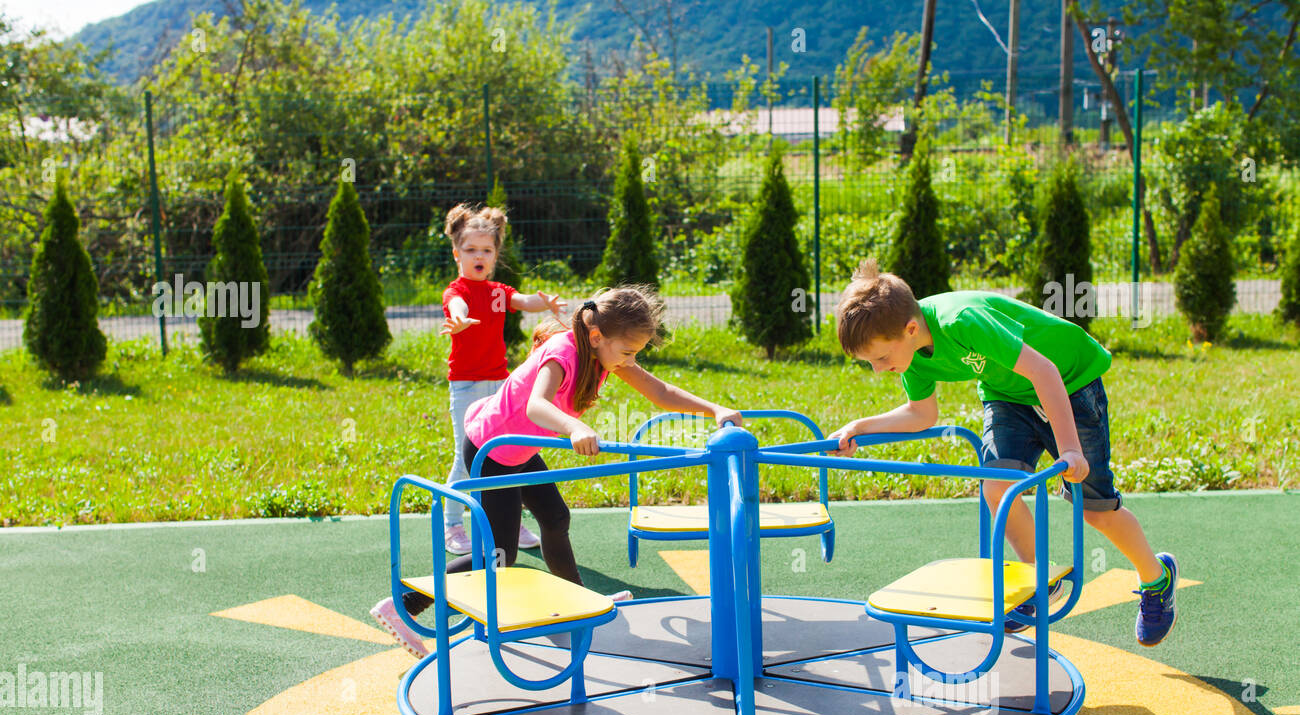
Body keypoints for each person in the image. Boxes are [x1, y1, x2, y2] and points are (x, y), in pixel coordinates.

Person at [371, 286, 744, 658]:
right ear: (596, 336)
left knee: (555, 516)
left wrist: (715, 409)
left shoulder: (605, 353)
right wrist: (574, 427)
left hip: (519, 448)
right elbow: (537, 405)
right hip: (492, 449)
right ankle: (401, 606)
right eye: (628, 352)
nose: (630, 360)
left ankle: (576, 601)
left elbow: (660, 391)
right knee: (499, 555)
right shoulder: (563, 353)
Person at [828, 259, 1178, 646]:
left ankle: (1156, 579)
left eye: (880, 359)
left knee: (1096, 510)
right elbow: (922, 413)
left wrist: (1070, 450)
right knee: (997, 487)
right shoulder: (911, 353)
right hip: (1007, 396)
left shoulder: (962, 321)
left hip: (1071, 382)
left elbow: (1045, 372)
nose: (879, 370)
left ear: (910, 329)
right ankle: (1037, 584)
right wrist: (860, 426)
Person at [439, 202, 565, 556]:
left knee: (509, 453)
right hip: (467, 385)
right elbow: (457, 308)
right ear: (456, 254)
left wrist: (545, 303)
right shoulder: (457, 292)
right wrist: (461, 320)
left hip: (501, 386)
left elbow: (521, 300)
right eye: (471, 250)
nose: (479, 256)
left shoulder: (497, 291)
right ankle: (453, 524)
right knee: (466, 457)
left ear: (495, 255)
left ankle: (510, 520)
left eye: (486, 250)